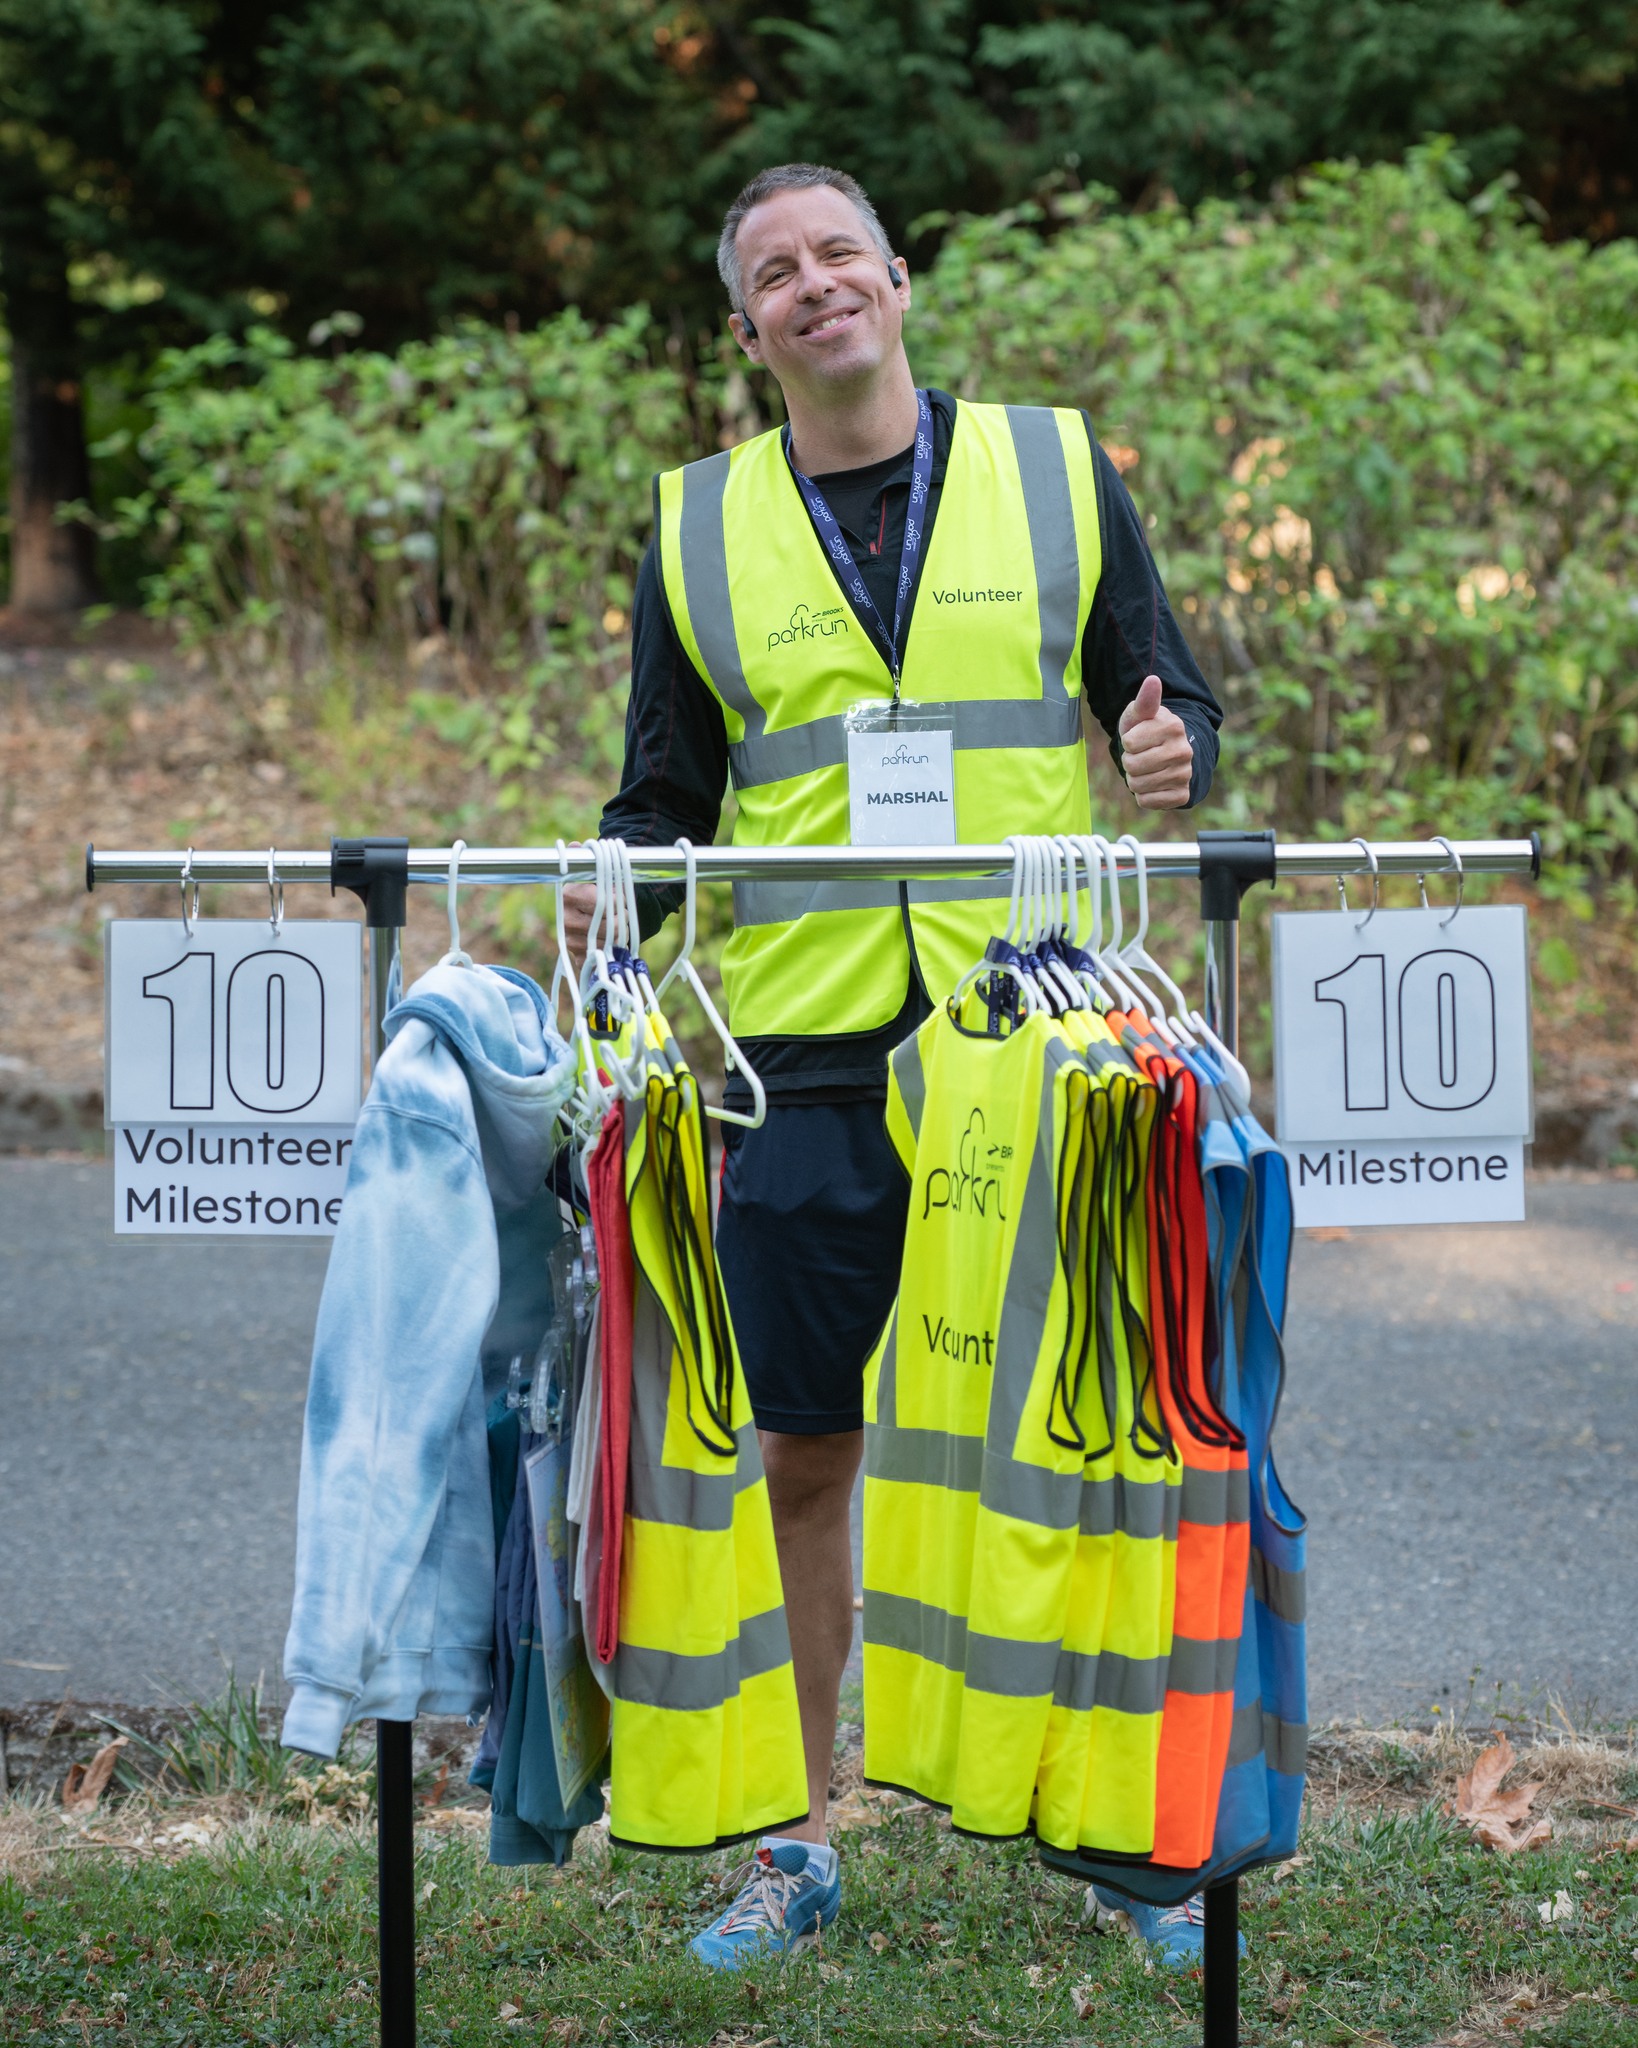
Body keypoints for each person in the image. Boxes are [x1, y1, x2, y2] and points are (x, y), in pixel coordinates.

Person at [564, 161, 1224, 1969]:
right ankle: (792, 1843)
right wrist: (608, 885)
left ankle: (1112, 1841)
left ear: (899, 280)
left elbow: (1162, 701)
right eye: (773, 273)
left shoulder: (1057, 466)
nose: (813, 285)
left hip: (1036, 1031)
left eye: (837, 252)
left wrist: (1174, 758)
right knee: (805, 1450)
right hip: (802, 1050)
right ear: (745, 328)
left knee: (1078, 1441)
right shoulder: (696, 525)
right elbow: (664, 796)